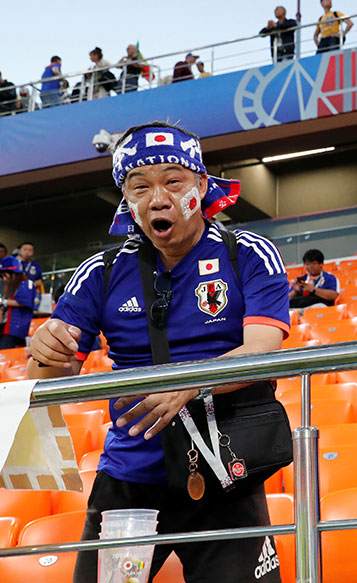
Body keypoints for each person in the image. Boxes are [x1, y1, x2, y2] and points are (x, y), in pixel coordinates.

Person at [27, 120, 290, 583]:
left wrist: (190, 383)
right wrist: (46, 353)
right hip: (131, 478)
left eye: (173, 180)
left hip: (227, 473)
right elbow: (52, 374)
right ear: (127, 200)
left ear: (202, 185)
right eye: (139, 186)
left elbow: (263, 352)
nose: (158, 197)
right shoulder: (100, 272)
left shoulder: (247, 253)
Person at [0, 257, 35, 349]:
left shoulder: (26, 284)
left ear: (13, 274)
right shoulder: (10, 286)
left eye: (4, 275)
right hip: (5, 328)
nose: (3, 279)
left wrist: (3, 302)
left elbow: (24, 302)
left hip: (16, 329)